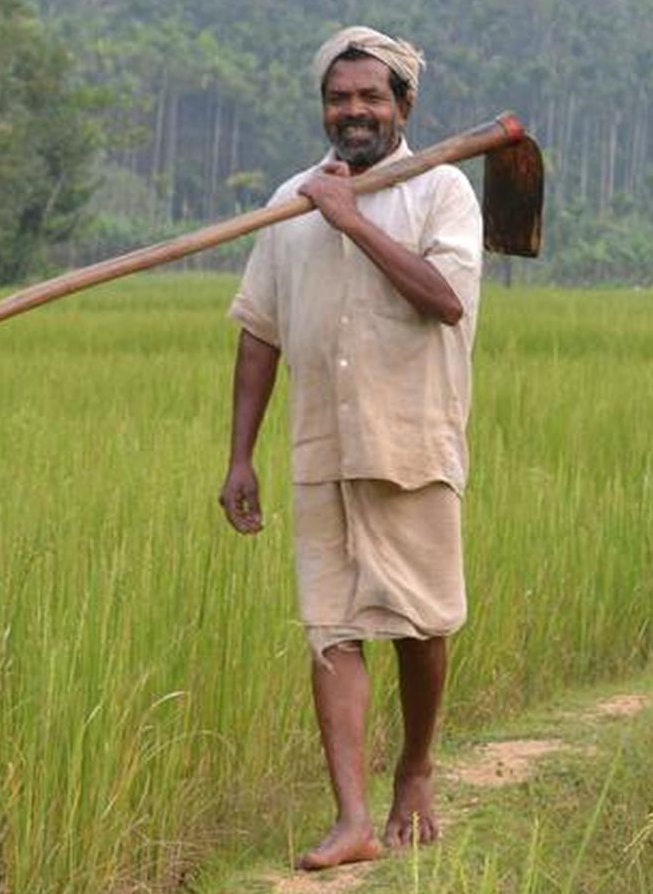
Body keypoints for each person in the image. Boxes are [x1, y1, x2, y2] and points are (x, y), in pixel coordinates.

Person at [218, 25, 483, 871]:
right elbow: (259, 330)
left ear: (403, 105)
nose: (354, 111)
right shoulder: (290, 198)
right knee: (328, 630)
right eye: (340, 98)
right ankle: (351, 819)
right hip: (318, 447)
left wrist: (350, 218)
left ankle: (414, 770)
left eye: (371, 96)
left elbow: (442, 300)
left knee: (421, 623)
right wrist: (239, 455)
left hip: (409, 440)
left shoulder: (441, 191)